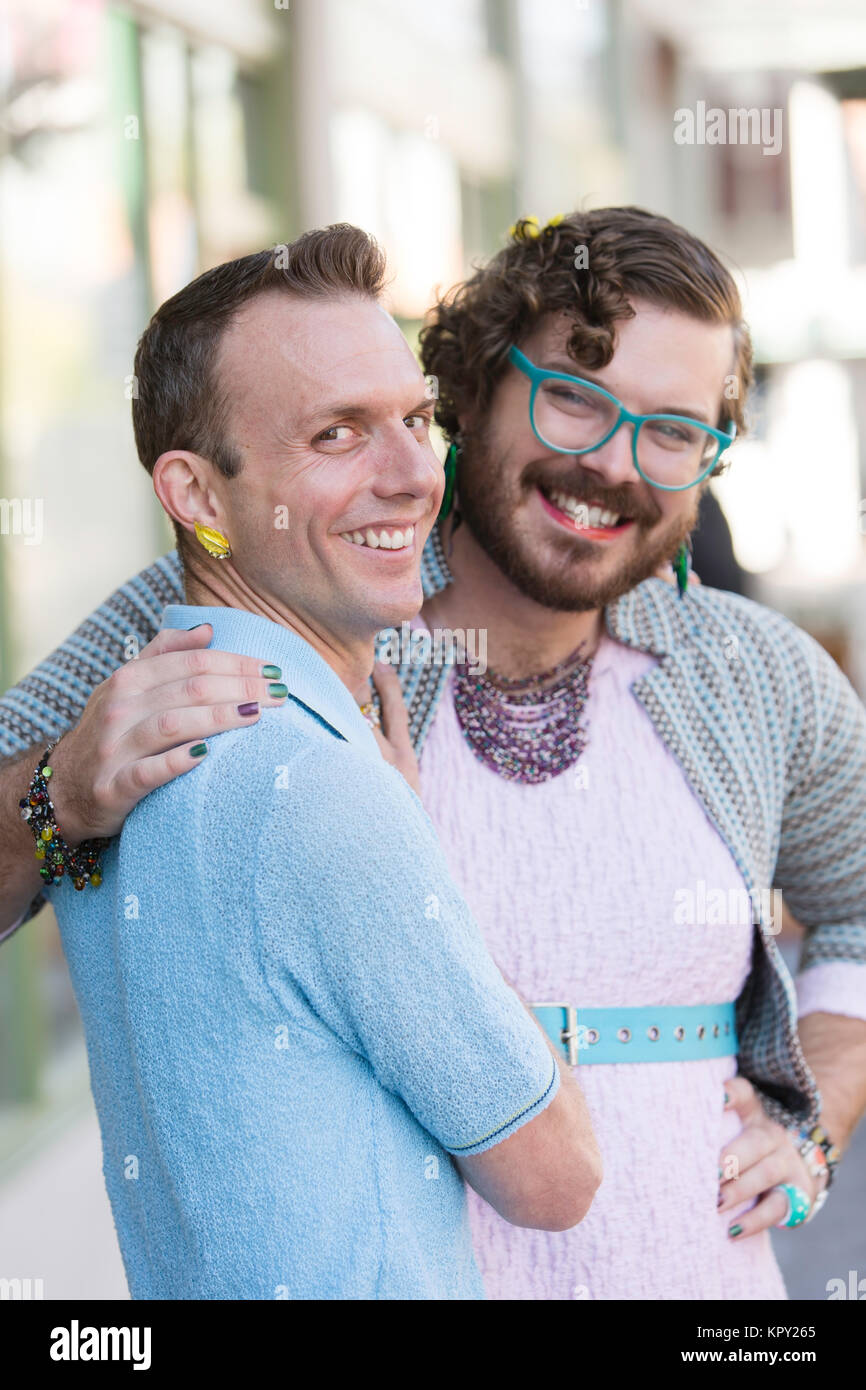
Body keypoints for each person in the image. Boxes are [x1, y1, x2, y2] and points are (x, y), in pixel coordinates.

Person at [2, 207, 865, 1299]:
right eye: (571, 399)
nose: (611, 465)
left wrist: (813, 1122)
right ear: (476, 387)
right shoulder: (259, 611)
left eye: (672, 431)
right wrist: (54, 793)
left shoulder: (755, 677)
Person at [0, 226, 602, 1300]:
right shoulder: (305, 782)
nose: (415, 474)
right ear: (195, 495)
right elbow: (556, 1176)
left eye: (414, 420)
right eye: (337, 434)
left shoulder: (150, 717)